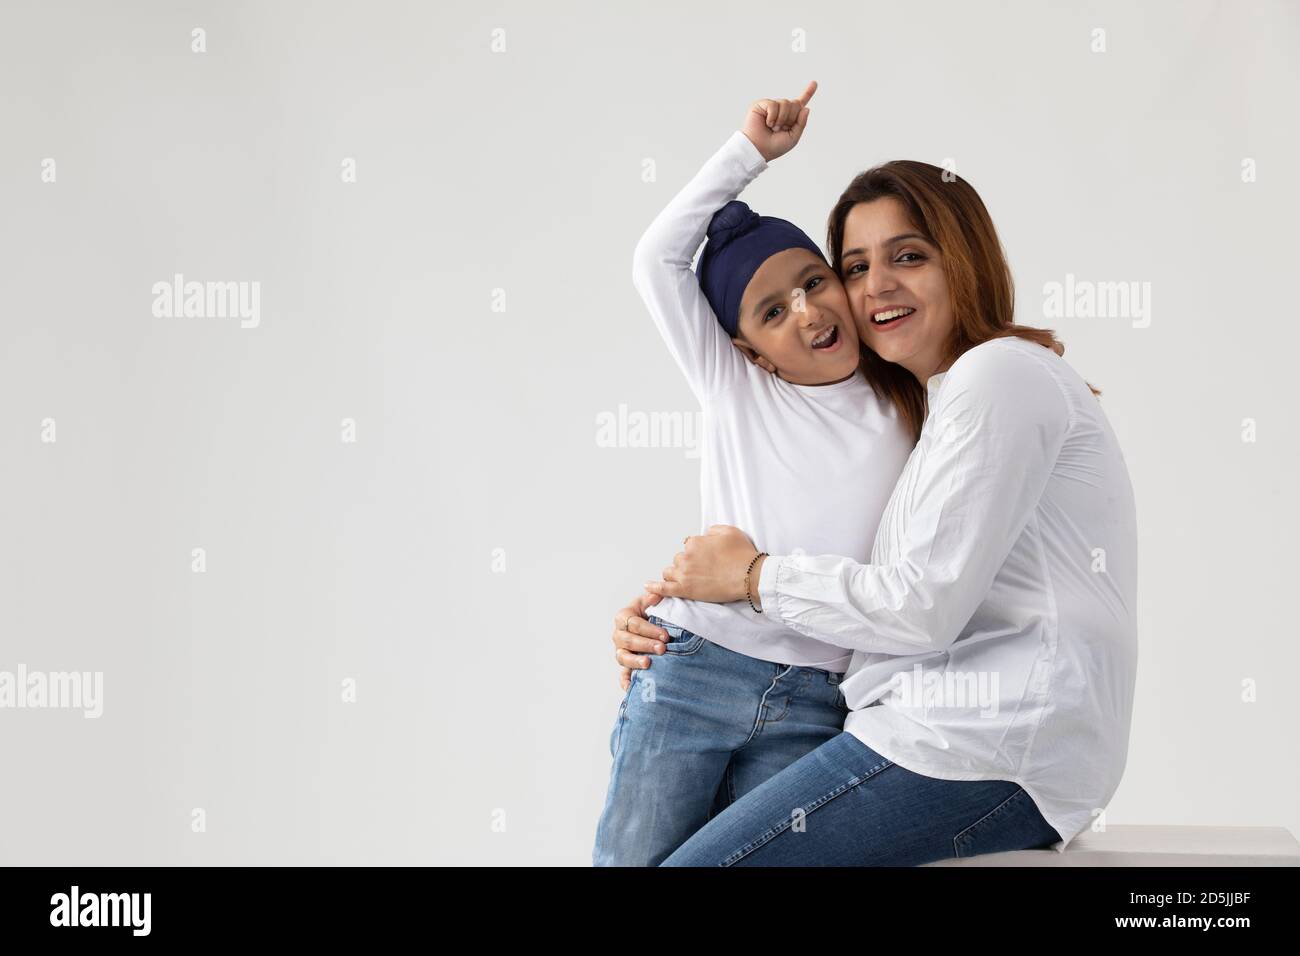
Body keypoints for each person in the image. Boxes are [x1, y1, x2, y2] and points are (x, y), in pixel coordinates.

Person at [627, 115, 1138, 865]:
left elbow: (919, 605)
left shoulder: (998, 376)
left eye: (908, 256)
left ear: (961, 260)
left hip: (978, 744)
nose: (877, 287)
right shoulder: (933, 412)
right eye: (857, 267)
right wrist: (684, 617)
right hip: (941, 734)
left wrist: (750, 577)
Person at [592, 83, 915, 866]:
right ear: (745, 347)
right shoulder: (737, 389)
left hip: (816, 699)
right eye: (772, 312)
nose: (805, 311)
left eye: (814, 281)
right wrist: (749, 155)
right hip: (695, 672)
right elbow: (655, 259)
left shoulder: (909, 401)